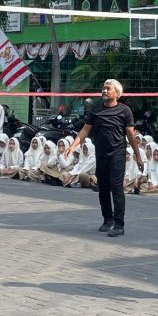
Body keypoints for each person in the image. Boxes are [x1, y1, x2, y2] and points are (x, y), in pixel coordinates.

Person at [61, 78, 144, 238]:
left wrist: (138, 157)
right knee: (103, 188)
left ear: (117, 93)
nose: (104, 91)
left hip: (117, 154)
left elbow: (131, 135)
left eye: (108, 89)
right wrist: (73, 145)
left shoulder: (125, 111)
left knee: (116, 188)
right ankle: (108, 219)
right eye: (104, 88)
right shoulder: (96, 108)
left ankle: (119, 225)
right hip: (101, 154)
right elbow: (85, 130)